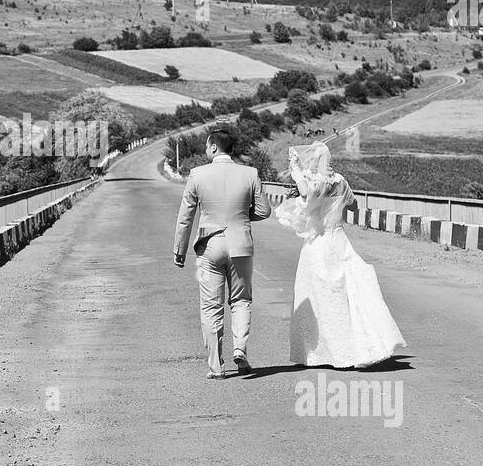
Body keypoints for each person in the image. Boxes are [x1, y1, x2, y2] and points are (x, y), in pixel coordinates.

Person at [273, 142, 404, 368]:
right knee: (344, 294)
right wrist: (338, 203)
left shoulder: (316, 183)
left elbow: (306, 192)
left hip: (318, 244)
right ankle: (353, 348)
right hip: (339, 241)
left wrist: (295, 169)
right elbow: (353, 206)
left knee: (317, 295)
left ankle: (320, 352)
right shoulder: (340, 181)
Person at [173, 129, 272, 379]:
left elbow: (186, 217)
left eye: (207, 146)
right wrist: (238, 218)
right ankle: (240, 349)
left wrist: (180, 250)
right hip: (241, 245)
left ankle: (216, 367)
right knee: (241, 300)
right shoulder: (250, 174)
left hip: (210, 245)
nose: (206, 150)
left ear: (214, 148)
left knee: (211, 307)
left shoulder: (197, 175)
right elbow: (263, 211)